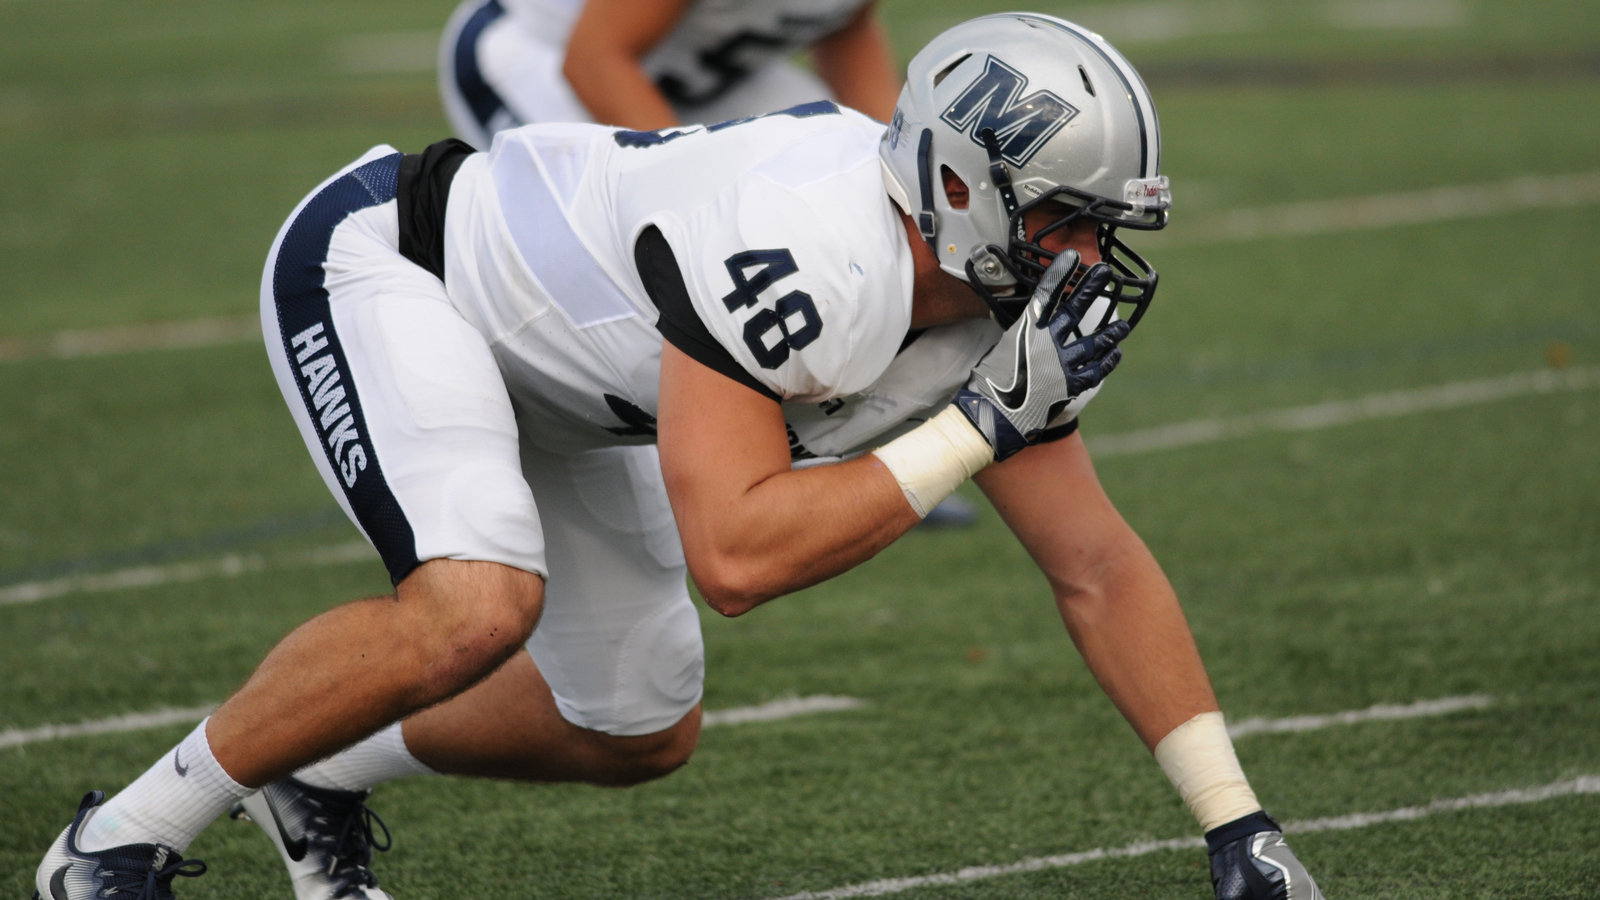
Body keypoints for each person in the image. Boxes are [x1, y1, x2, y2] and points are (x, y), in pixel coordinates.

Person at [33, 15, 1325, 900]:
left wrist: (1238, 825)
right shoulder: (809, 245)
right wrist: (974, 429)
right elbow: (738, 557)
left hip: (582, 383)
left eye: (1105, 229)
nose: (1086, 263)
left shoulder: (976, 295)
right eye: (1064, 223)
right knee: (475, 603)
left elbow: (1096, 565)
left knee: (636, 723)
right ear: (958, 186)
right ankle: (115, 845)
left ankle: (316, 767)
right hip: (401, 267)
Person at [438, 0, 901, 145]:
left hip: (708, 79)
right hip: (540, 58)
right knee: (615, 271)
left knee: (837, 154)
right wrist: (701, 189)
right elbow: (594, 60)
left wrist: (904, 153)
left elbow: (843, 26)